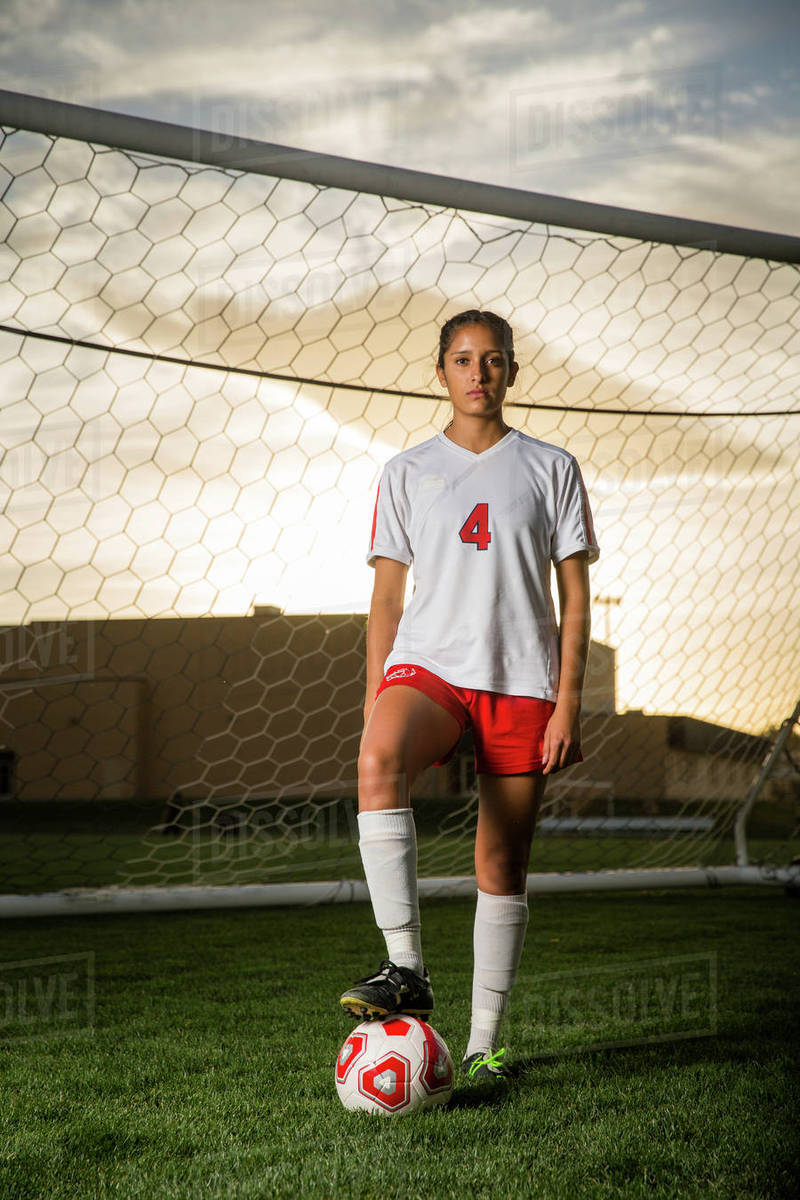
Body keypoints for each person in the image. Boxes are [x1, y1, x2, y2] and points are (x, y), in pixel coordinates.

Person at [339, 309, 599, 1082]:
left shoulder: (551, 467)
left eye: (492, 360)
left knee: (501, 861)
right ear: (441, 371)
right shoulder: (407, 470)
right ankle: (406, 967)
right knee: (378, 758)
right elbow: (386, 601)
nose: (477, 373)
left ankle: (485, 1045)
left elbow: (575, 599)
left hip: (523, 680)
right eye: (462, 359)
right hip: (430, 669)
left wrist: (568, 703)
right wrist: (374, 694)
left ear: (512, 372)